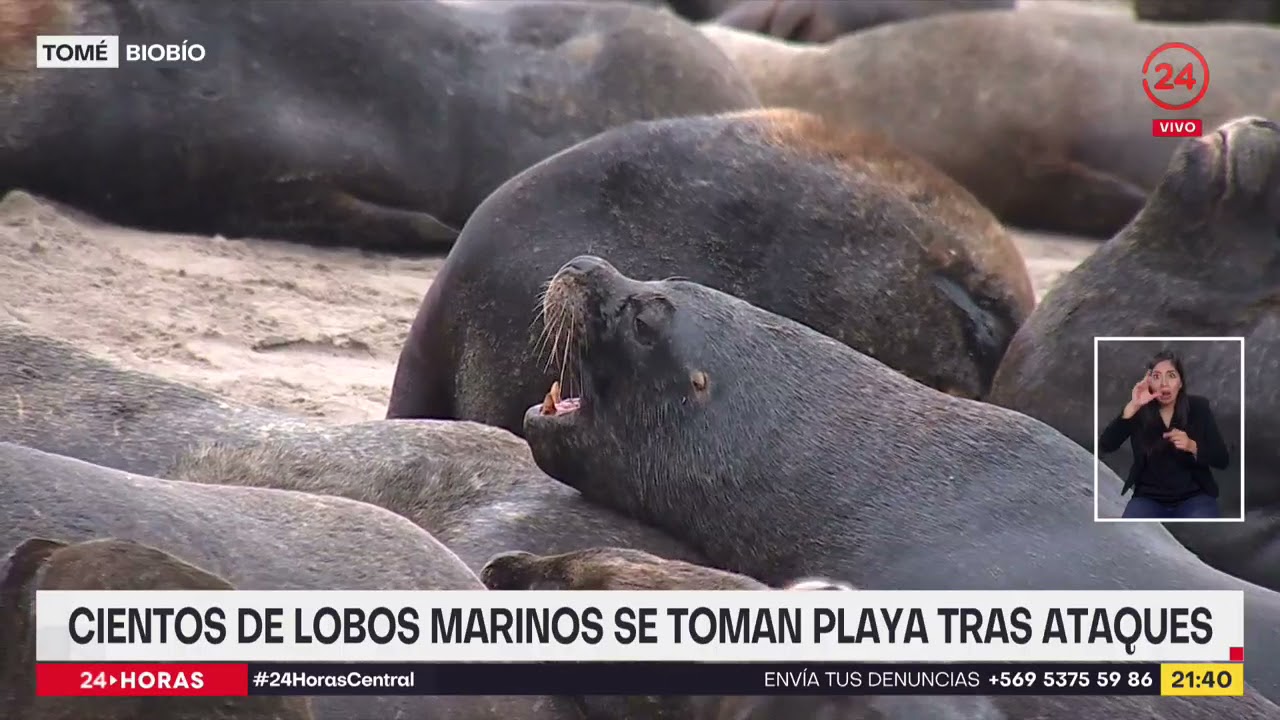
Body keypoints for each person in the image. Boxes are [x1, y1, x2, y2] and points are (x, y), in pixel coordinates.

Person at [1098, 349, 1230, 519]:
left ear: (1180, 383)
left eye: (1171, 376)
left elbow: (1222, 459)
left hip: (1195, 498)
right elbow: (1106, 445)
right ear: (1149, 383)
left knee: (1205, 525)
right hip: (1148, 499)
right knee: (1129, 528)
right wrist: (1133, 406)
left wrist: (1192, 446)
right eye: (1157, 377)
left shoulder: (1199, 408)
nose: (1164, 384)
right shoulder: (1138, 410)